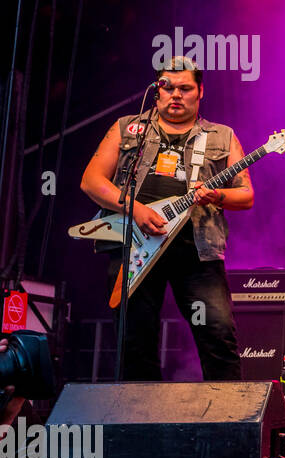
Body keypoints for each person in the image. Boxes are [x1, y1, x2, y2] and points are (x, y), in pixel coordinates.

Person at [79, 57, 252, 380]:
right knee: (135, 338)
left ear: (200, 91)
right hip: (135, 243)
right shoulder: (127, 127)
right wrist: (137, 209)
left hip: (197, 249)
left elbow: (246, 195)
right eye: (166, 87)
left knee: (218, 332)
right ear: (156, 91)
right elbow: (91, 181)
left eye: (185, 88)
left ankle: (227, 410)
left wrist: (216, 195)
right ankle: (139, 410)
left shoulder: (221, 135)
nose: (175, 94)